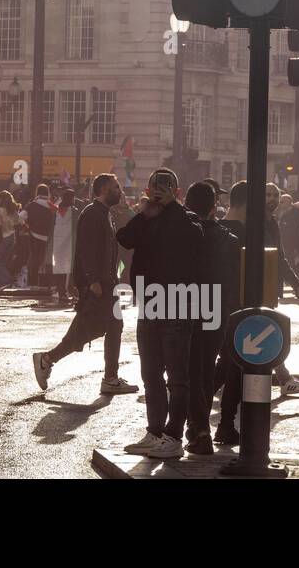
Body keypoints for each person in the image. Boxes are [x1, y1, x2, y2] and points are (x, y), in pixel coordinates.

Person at [114, 168, 202, 459]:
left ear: (176, 192)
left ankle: (173, 436)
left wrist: (170, 208)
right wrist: (145, 213)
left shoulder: (186, 219)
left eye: (165, 187)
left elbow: (193, 237)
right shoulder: (147, 219)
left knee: (177, 377)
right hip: (150, 303)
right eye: (154, 187)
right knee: (150, 373)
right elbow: (124, 238)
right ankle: (154, 432)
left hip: (177, 304)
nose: (158, 191)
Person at [32, 174, 139, 396]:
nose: (119, 190)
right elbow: (87, 250)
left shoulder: (104, 213)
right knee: (92, 329)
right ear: (102, 189)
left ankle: (107, 376)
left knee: (105, 327)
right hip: (99, 284)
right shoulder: (93, 214)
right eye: (115, 187)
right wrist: (92, 281)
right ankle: (49, 359)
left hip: (107, 283)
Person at [182, 181, 236, 455]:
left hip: (185, 306)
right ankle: (197, 428)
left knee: (190, 371)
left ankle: (198, 429)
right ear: (213, 206)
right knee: (204, 368)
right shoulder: (226, 239)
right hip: (216, 308)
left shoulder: (182, 233)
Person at [48, 188, 77, 306]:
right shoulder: (73, 211)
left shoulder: (57, 209)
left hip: (57, 242)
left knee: (59, 267)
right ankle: (65, 291)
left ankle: (61, 291)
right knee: (67, 269)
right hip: (69, 243)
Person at [23, 184, 55, 289]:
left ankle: (33, 283)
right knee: (45, 260)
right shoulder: (52, 205)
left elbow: (21, 216)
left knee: (33, 258)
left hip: (34, 234)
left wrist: (27, 224)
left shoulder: (32, 204)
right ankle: (45, 284)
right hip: (48, 236)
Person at [0, 190, 20, 295]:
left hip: (2, 237)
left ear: (0, 199)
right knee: (2, 261)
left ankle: (5, 280)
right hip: (12, 237)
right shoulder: (14, 210)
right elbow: (18, 222)